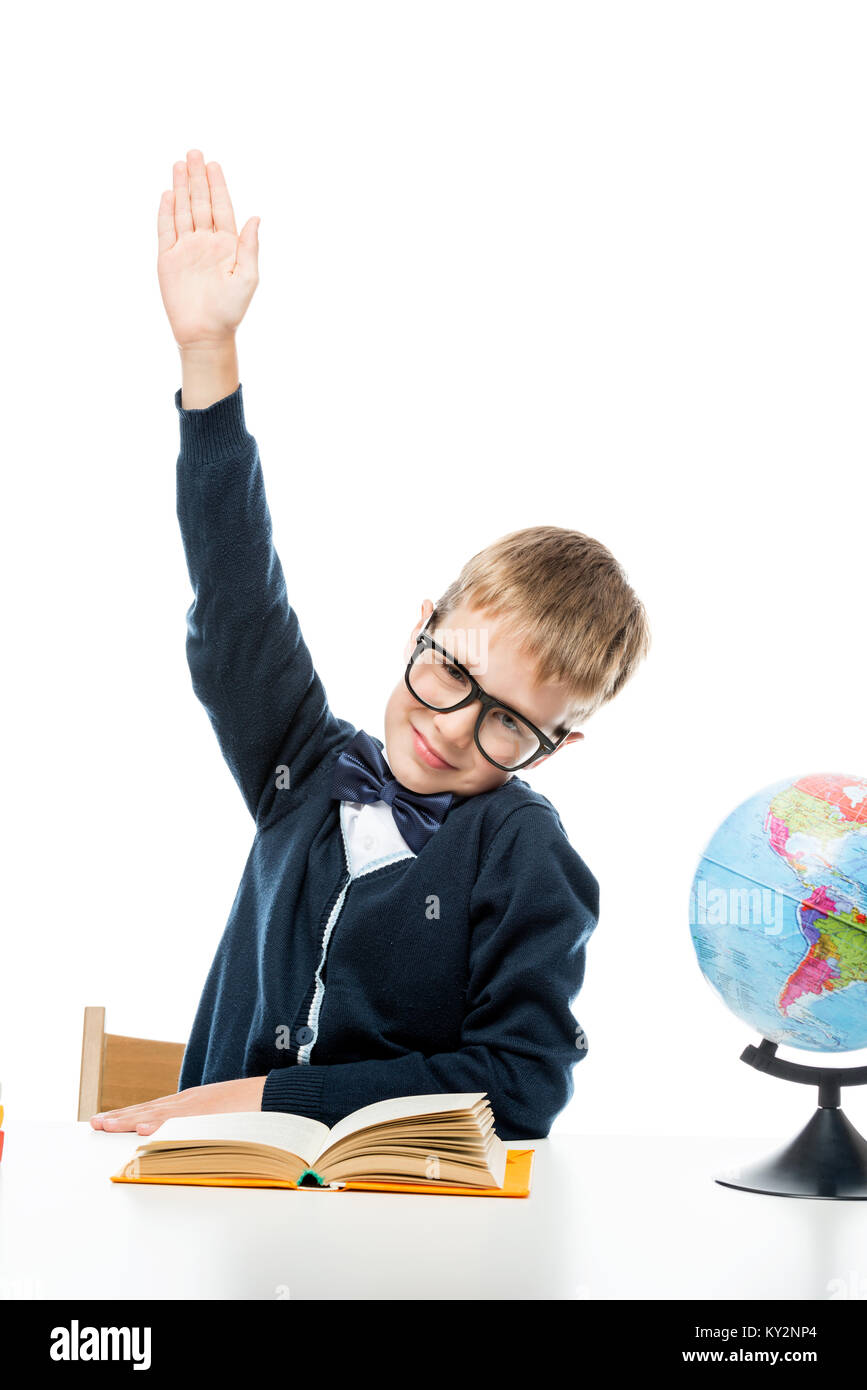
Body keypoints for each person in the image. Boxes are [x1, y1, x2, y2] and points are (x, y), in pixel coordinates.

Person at [91, 149, 651, 1142]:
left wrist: (268, 1099)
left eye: (510, 726)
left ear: (558, 746)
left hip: (404, 1247)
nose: (451, 732)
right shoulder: (302, 765)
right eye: (451, 672)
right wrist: (208, 361)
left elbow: (518, 1085)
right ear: (423, 625)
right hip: (220, 1221)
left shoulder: (522, 853)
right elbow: (236, 594)